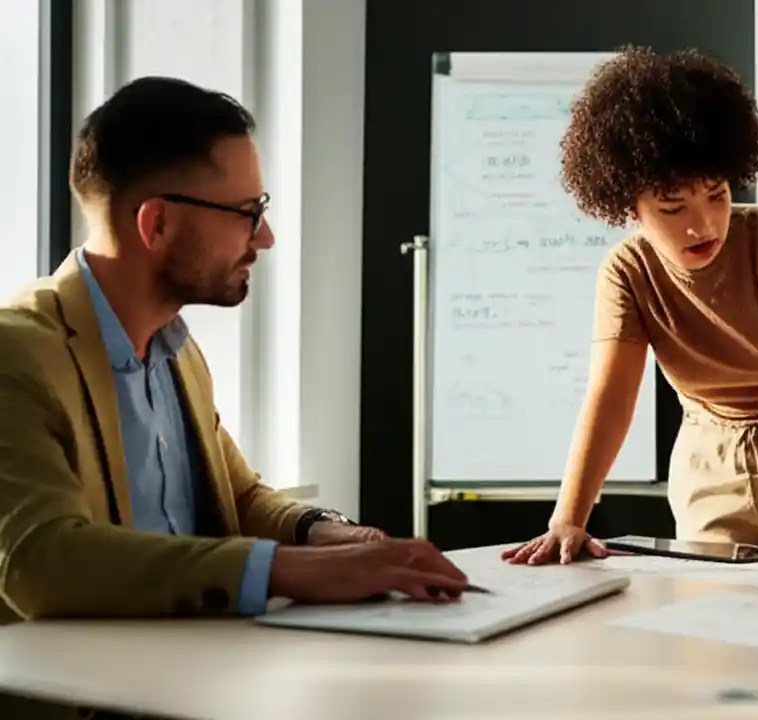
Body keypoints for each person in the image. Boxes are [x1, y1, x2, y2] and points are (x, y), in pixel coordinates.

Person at [0, 76, 470, 631]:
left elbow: (239, 497)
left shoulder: (176, 350)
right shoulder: (18, 352)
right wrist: (293, 572)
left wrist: (323, 532)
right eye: (247, 212)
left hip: (195, 668)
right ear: (157, 223)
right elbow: (41, 560)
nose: (265, 237)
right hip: (76, 682)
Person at [503, 47, 758, 565]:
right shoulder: (628, 272)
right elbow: (610, 401)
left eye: (717, 194)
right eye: (673, 207)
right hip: (712, 465)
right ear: (628, 205)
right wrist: (568, 519)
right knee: (712, 611)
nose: (704, 225)